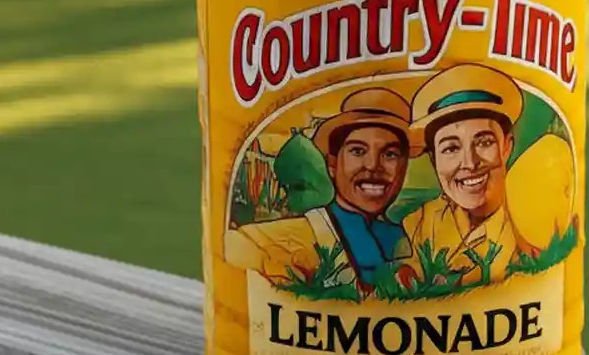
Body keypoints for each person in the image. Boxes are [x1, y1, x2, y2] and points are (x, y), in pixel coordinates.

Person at [224, 88, 416, 294]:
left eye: (390, 154)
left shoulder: (403, 238)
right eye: (357, 151)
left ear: (403, 167)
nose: (372, 165)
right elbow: (232, 246)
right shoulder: (296, 234)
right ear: (332, 163)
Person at [403, 64, 537, 287]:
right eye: (450, 149)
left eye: (484, 142)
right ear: (434, 160)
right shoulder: (420, 222)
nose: (470, 163)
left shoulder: (528, 228)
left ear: (506, 147)